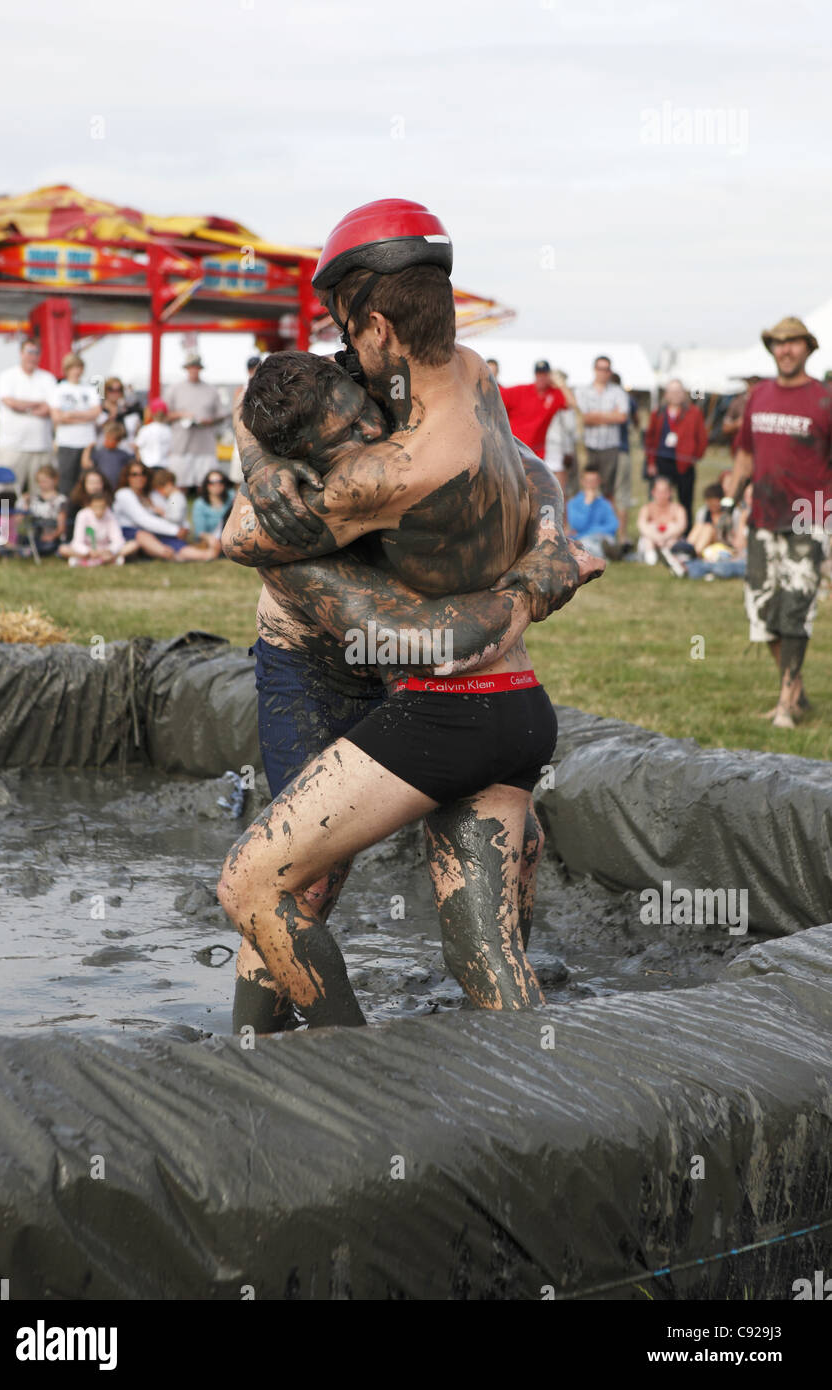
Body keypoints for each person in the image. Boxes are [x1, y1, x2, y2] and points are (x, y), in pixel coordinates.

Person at [218, 198, 603, 1031]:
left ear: (381, 326)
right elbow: (253, 409)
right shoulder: (461, 371)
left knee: (272, 879)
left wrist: (528, 581)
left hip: (428, 673)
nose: (359, 420)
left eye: (351, 331)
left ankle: (357, 1075)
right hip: (331, 661)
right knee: (315, 885)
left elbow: (241, 538)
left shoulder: (388, 469)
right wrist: (257, 463)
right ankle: (251, 1046)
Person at [724, 315, 832, 730]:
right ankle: (796, 690)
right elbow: (744, 454)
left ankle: (786, 702)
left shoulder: (823, 399)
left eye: (793, 343)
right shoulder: (759, 396)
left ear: (807, 347)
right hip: (763, 516)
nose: (785, 350)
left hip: (808, 516)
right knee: (764, 611)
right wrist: (731, 500)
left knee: (796, 608)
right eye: (778, 343)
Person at [113, 459, 212, 562]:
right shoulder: (123, 494)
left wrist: (183, 528)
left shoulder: (152, 494)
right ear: (127, 477)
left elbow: (168, 512)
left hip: (155, 531)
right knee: (143, 535)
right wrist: (175, 530)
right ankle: (171, 556)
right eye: (134, 474)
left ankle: (205, 554)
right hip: (131, 532)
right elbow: (143, 520)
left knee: (174, 542)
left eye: (143, 474)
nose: (139, 477)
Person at [574, 357, 630, 537]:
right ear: (594, 370)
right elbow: (582, 418)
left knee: (608, 491)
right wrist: (609, 416)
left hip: (609, 447)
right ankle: (582, 529)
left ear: (610, 372)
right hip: (588, 447)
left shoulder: (618, 392)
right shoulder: (583, 391)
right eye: (600, 368)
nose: (603, 372)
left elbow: (622, 417)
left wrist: (594, 416)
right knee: (585, 488)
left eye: (606, 369)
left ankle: (613, 534)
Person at [0, 340, 56, 496]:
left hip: (41, 445)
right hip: (12, 446)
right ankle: (1, 522)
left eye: (36, 352)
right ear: (21, 353)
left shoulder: (48, 378)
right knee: (5, 494)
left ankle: (39, 521)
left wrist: (24, 407)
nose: (32, 356)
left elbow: (51, 407)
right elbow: (11, 403)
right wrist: (38, 404)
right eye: (29, 351)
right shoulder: (6, 376)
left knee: (41, 494)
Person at [644, 378, 708, 525]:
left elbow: (702, 438)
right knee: (661, 497)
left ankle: (685, 532)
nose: (675, 395)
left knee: (686, 499)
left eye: (678, 391)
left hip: (684, 463)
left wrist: (695, 456)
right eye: (672, 391)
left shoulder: (693, 413)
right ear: (666, 394)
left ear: (683, 393)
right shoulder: (658, 413)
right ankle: (661, 526)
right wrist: (651, 462)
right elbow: (650, 439)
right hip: (663, 460)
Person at [499, 360, 568, 475]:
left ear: (549, 376)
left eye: (545, 374)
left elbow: (571, 403)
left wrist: (561, 384)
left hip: (536, 453)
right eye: (539, 374)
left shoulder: (554, 394)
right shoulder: (520, 391)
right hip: (512, 448)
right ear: (535, 375)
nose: (541, 378)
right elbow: (494, 400)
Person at [166, 353, 223, 490]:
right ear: (186, 369)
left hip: (205, 445)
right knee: (180, 483)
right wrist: (181, 415)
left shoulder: (211, 390)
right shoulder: (175, 389)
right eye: (191, 367)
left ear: (200, 369)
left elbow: (221, 416)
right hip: (181, 445)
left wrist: (209, 421)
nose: (193, 370)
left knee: (204, 485)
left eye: (196, 367)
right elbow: (165, 415)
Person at [49, 353, 101, 496]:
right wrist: (85, 416)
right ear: (67, 369)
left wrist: (71, 414)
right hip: (66, 442)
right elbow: (57, 417)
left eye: (79, 367)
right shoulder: (58, 390)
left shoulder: (89, 389)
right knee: (66, 482)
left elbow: (96, 412)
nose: (76, 371)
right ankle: (68, 516)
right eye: (73, 368)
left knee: (87, 482)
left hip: (87, 443)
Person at [59, 487, 138, 567]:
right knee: (63, 549)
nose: (99, 510)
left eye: (102, 507)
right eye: (96, 507)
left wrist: (109, 550)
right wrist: (88, 551)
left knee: (133, 544)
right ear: (90, 505)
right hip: (88, 551)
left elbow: (118, 540)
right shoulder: (82, 515)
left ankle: (103, 559)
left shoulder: (110, 515)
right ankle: (107, 560)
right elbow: (77, 541)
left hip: (105, 549)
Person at [566, 464, 620, 559]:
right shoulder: (573, 503)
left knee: (609, 540)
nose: (591, 485)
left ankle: (606, 551)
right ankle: (606, 553)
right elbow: (577, 525)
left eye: (594, 481)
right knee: (586, 543)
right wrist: (587, 504)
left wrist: (596, 531)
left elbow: (613, 525)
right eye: (588, 481)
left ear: (599, 482)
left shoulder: (604, 503)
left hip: (602, 536)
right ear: (583, 482)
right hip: (583, 538)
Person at [636, 476, 688, 571]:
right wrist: (657, 537)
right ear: (653, 493)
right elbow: (642, 526)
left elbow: (681, 526)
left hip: (670, 542)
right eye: (659, 492)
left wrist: (664, 537)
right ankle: (651, 559)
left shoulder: (678, 509)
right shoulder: (647, 508)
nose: (662, 495)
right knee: (649, 530)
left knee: (673, 529)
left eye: (665, 492)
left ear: (670, 493)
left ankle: (668, 556)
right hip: (652, 542)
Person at [609, 370, 637, 545]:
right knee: (612, 494)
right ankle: (617, 534)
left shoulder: (623, 398)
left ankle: (621, 535)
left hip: (619, 449)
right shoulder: (628, 399)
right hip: (613, 449)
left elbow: (628, 417)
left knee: (619, 495)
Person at [22, 464, 67, 556]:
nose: (42, 484)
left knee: (48, 546)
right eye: (40, 481)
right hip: (35, 534)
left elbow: (61, 526)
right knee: (22, 541)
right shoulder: (33, 499)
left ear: (55, 480)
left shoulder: (61, 500)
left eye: (45, 481)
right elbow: (22, 519)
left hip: (52, 535)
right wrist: (25, 505)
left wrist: (52, 536)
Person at [229, 357, 261, 484]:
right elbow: (237, 412)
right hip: (244, 431)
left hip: (259, 431)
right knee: (239, 471)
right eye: (252, 369)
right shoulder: (241, 389)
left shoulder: (268, 386)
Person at [192, 470, 235, 555]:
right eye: (212, 483)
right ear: (206, 485)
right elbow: (200, 532)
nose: (217, 485)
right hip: (213, 541)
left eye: (220, 482)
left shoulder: (232, 497)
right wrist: (210, 538)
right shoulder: (200, 504)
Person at [83, 420, 130, 491]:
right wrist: (88, 449)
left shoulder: (123, 454)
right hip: (102, 488)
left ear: (119, 440)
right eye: (107, 438)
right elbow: (86, 465)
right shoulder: (100, 453)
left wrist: (136, 450)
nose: (109, 441)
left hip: (117, 487)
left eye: (112, 439)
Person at [135, 399, 172, 469]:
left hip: (148, 465)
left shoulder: (145, 429)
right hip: (163, 465)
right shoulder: (169, 430)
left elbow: (137, 447)